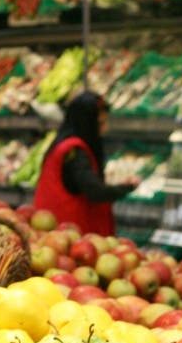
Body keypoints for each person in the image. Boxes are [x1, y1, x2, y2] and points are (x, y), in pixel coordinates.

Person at [33, 91, 136, 237]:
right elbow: (94, 191)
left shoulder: (61, 144)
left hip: (55, 235)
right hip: (69, 238)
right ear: (86, 124)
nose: (104, 129)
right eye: (100, 124)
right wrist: (126, 187)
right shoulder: (74, 152)